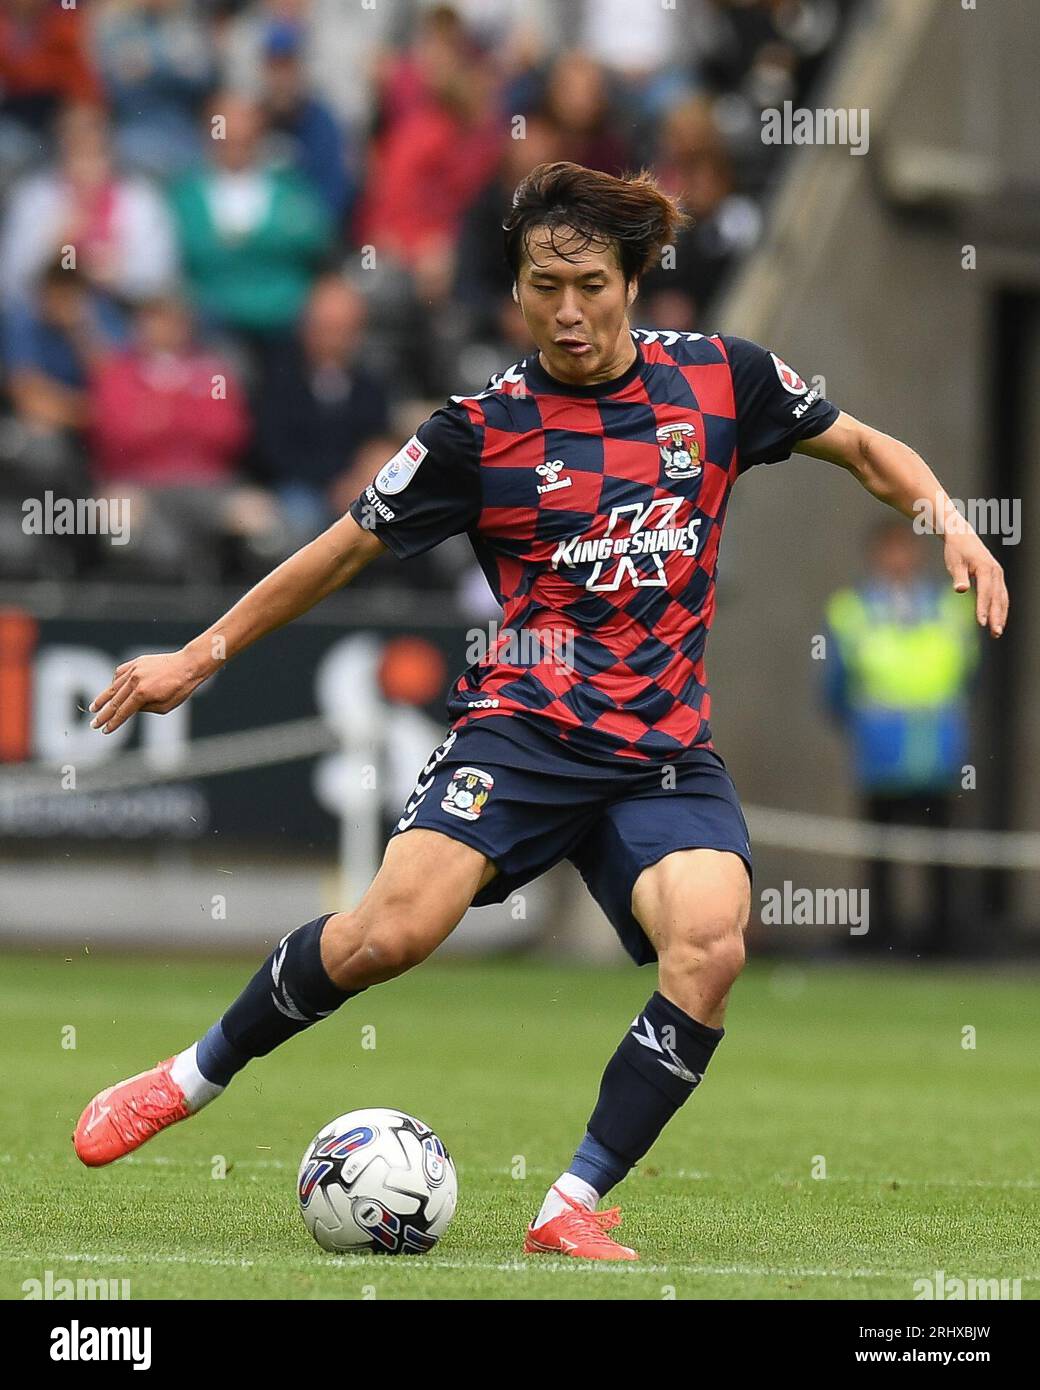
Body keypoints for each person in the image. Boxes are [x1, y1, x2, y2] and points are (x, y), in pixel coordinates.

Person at [72, 162, 1008, 1261]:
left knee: (708, 945)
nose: (566, 311)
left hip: (658, 751)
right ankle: (188, 1078)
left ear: (632, 281)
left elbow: (857, 446)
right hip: (520, 735)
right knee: (390, 935)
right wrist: (202, 650)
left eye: (590, 286)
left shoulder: (719, 381)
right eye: (540, 288)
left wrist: (942, 513)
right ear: (516, 290)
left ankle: (568, 1201)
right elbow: (341, 551)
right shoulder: (481, 430)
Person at [824, 519, 980, 955]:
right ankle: (884, 938)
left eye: (905, 550)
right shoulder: (852, 609)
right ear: (876, 556)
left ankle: (944, 938)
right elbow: (834, 686)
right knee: (881, 850)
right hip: (881, 750)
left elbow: (970, 671)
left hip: (938, 747)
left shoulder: (949, 605)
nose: (898, 560)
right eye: (890, 551)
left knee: (941, 850)